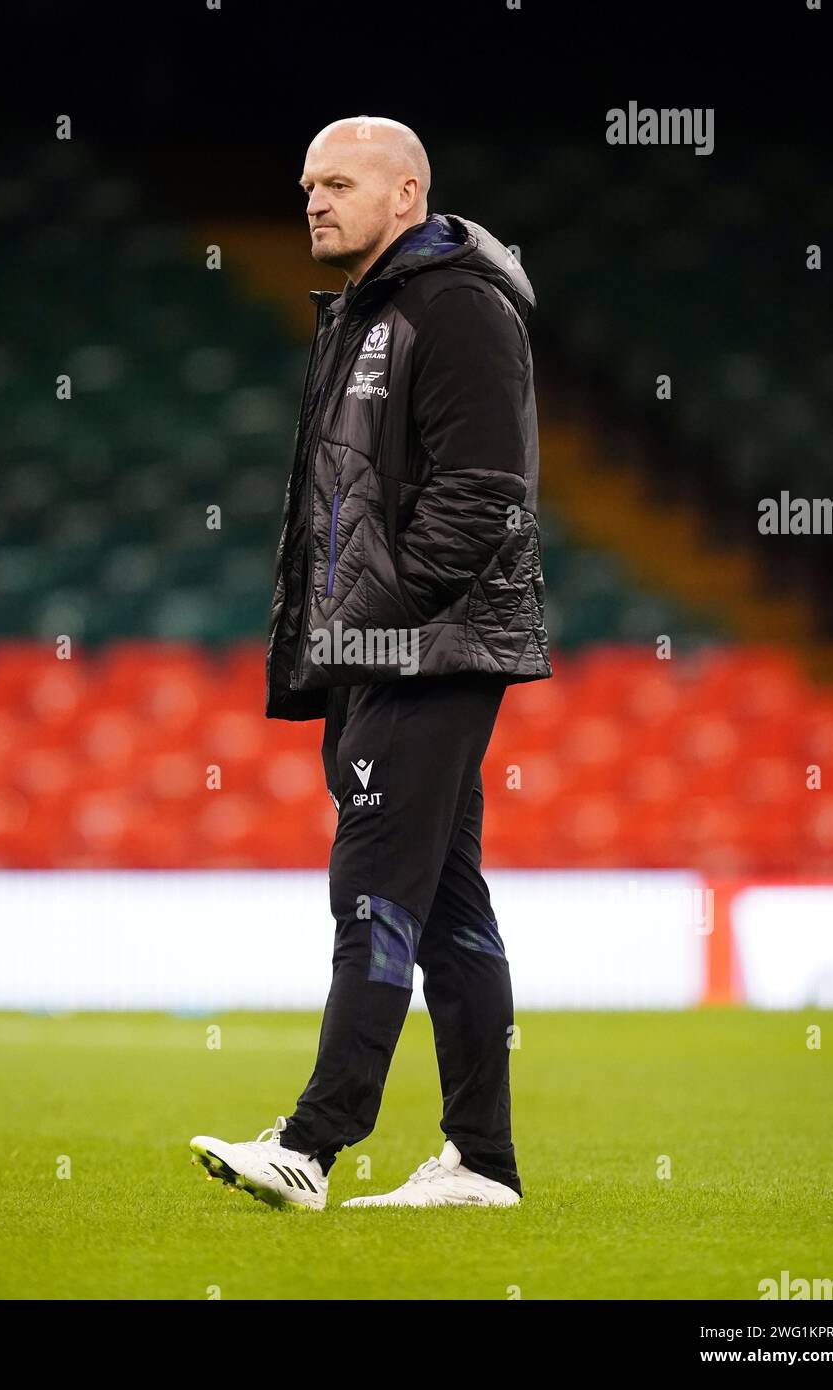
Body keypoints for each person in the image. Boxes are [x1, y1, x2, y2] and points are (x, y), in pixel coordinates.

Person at [191, 115, 551, 1210]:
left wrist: (376, 619)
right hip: (380, 648)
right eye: (306, 183)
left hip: (424, 647)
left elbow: (484, 496)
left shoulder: (454, 306)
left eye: (338, 182)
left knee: (372, 888)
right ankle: (481, 1161)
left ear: (405, 195)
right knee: (444, 904)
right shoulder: (363, 312)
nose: (313, 199)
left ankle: (312, 1141)